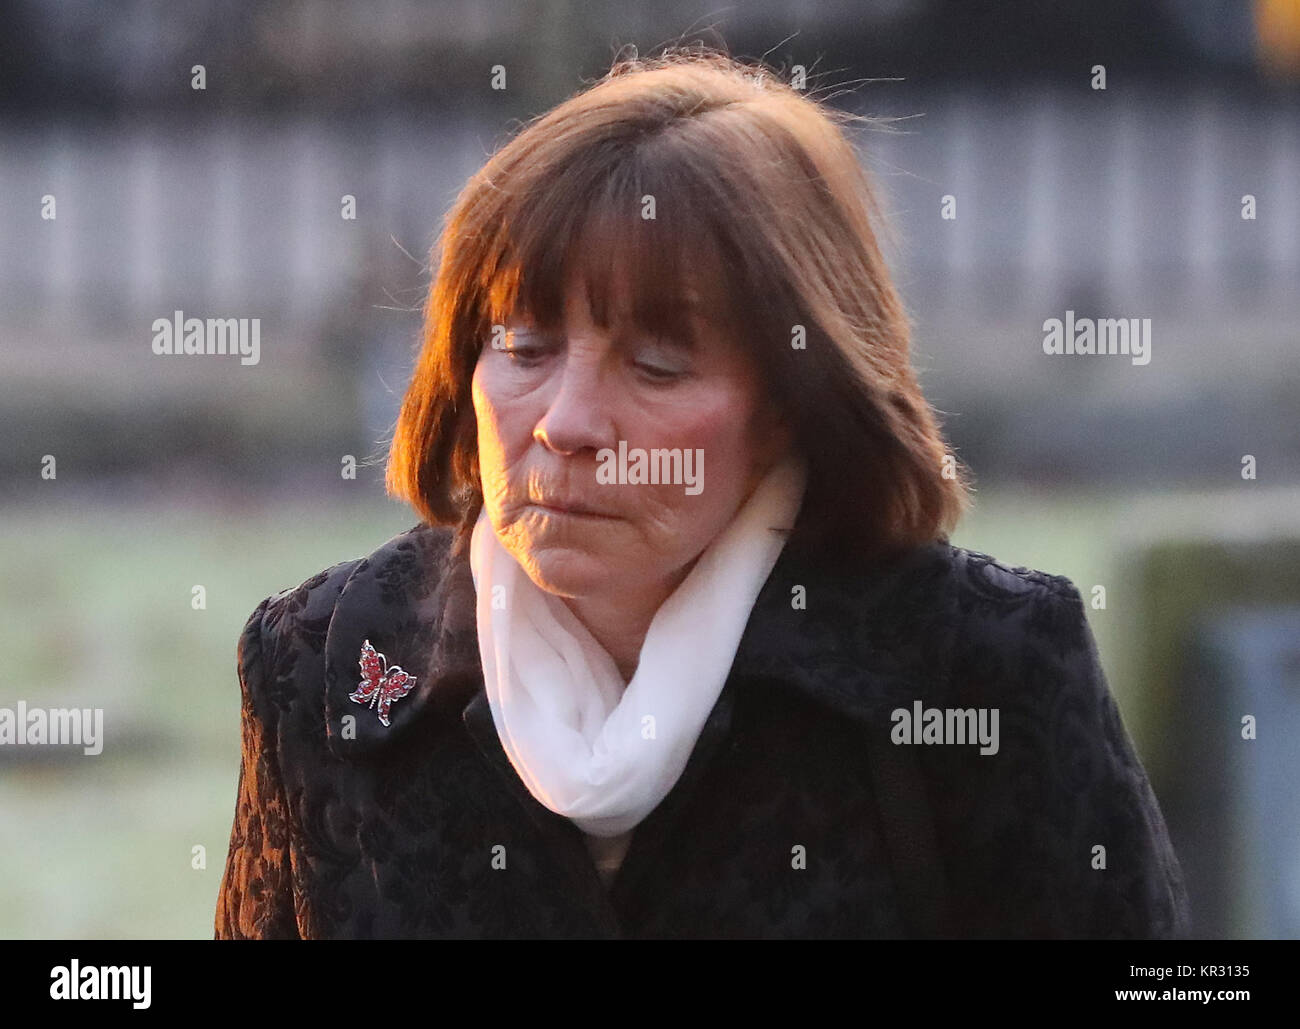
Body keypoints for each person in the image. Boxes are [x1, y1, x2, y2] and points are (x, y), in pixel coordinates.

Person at [214, 47, 1190, 939]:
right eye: (522, 346)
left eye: (656, 363)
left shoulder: (973, 669)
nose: (565, 422)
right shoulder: (332, 666)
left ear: (790, 405)